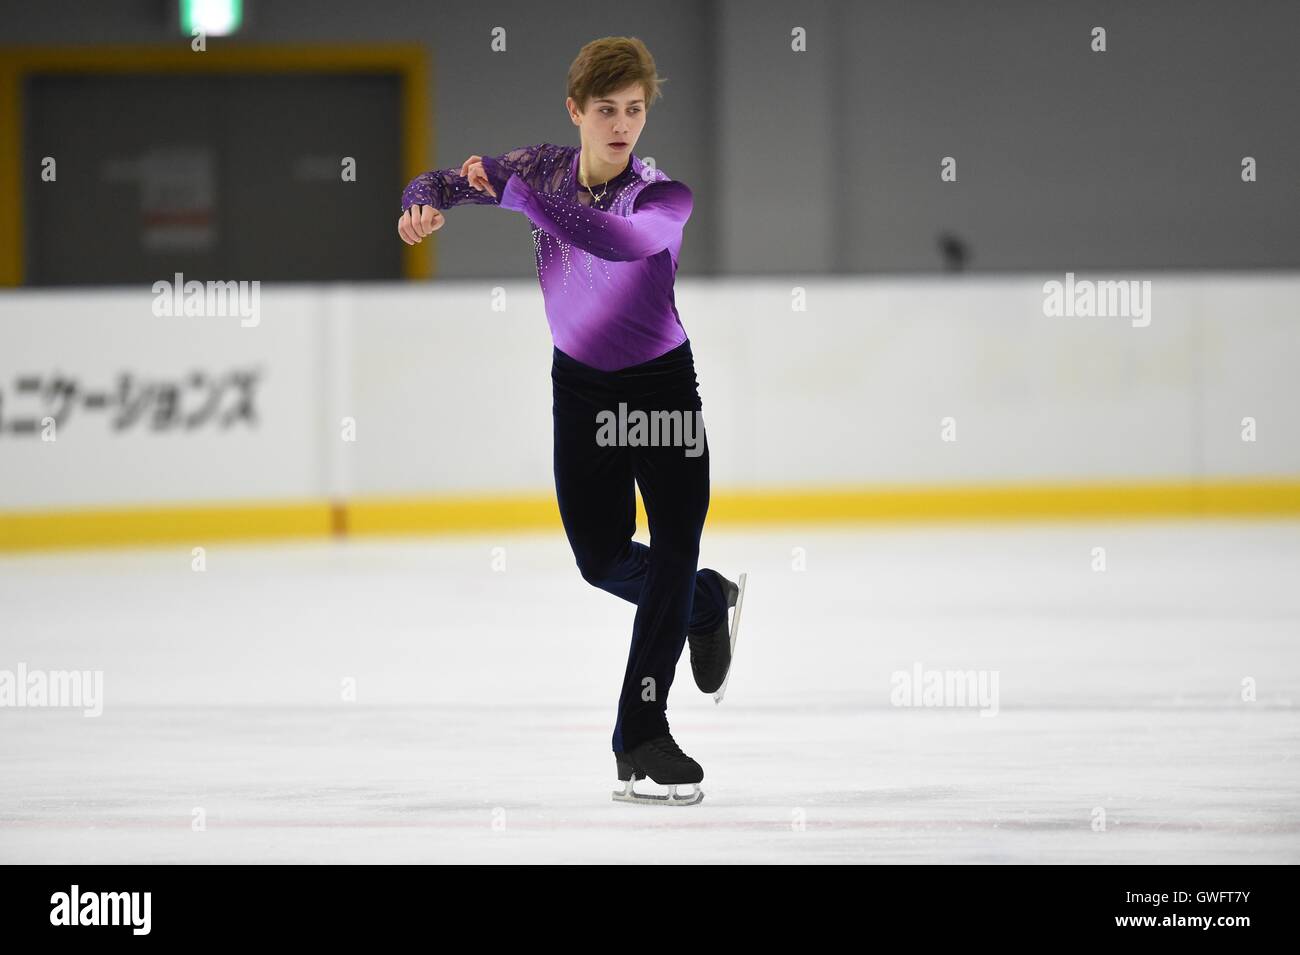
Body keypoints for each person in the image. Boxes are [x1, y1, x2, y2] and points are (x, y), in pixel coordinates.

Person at [397, 36, 744, 806]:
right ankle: (704, 601)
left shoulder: (661, 197)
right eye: (606, 111)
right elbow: (450, 178)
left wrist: (518, 199)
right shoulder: (544, 167)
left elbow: (616, 244)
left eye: (634, 111)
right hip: (582, 391)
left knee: (677, 535)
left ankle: (641, 735)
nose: (622, 126)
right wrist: (420, 201)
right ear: (576, 111)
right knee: (601, 558)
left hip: (662, 394)